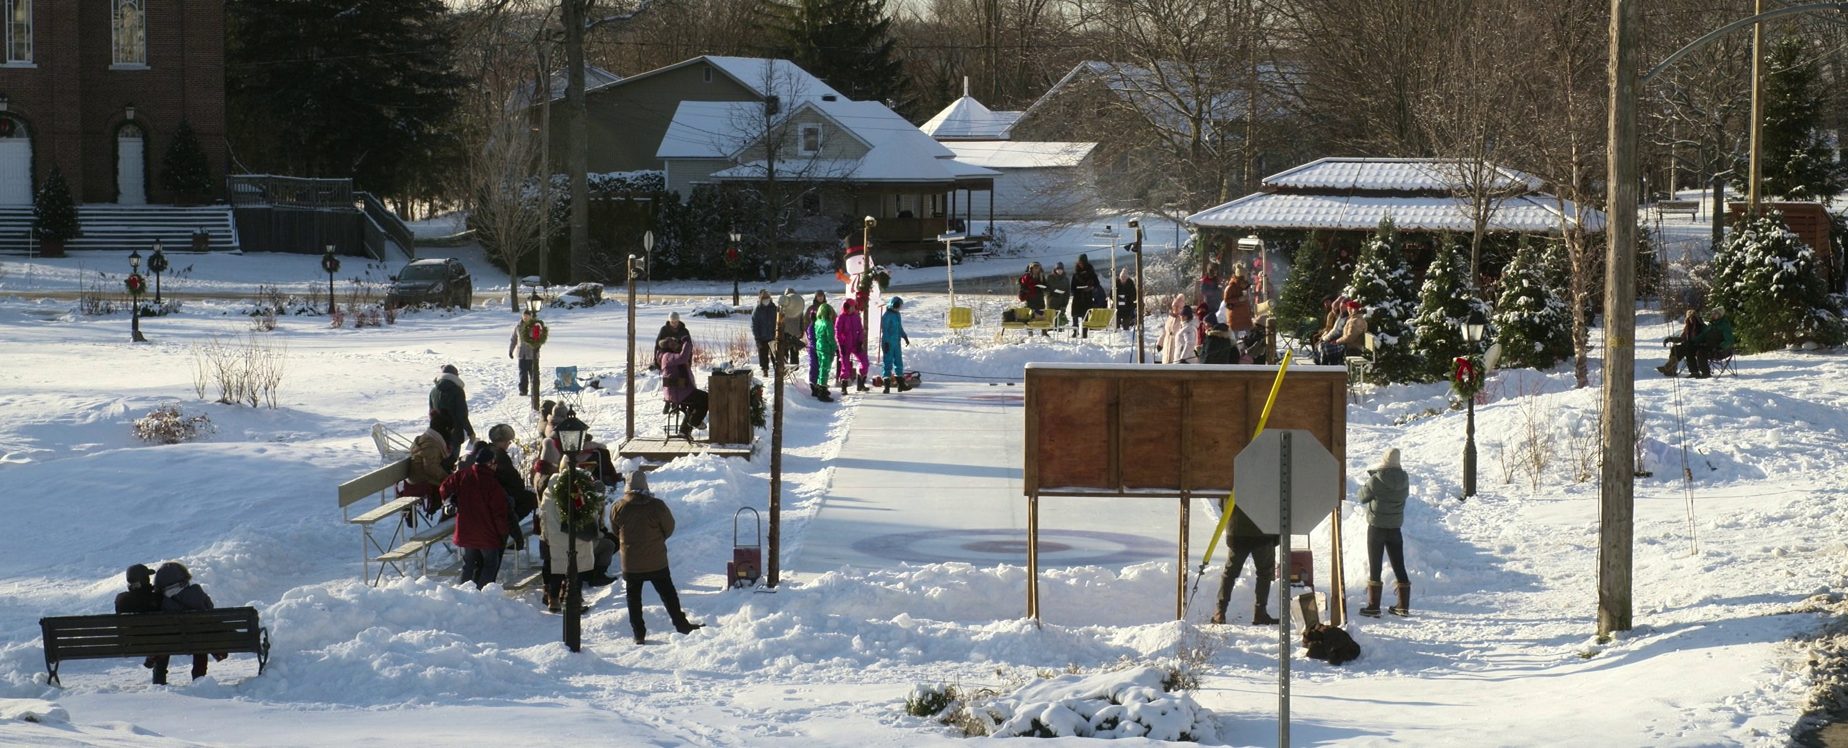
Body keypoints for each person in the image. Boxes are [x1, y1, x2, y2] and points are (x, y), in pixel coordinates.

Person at [611, 476, 704, 644]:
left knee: (633, 598)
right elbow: (669, 527)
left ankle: (639, 633)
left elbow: (615, 529)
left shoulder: (619, 507)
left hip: (631, 562)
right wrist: (657, 539)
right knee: (668, 594)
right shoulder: (657, 506)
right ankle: (681, 625)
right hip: (656, 560)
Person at [442, 443, 511, 589]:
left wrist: (450, 500)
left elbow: (444, 487)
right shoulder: (492, 484)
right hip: (487, 533)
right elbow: (499, 512)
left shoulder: (462, 475)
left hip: (466, 529)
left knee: (469, 563)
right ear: (490, 463)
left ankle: (464, 592)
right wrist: (503, 532)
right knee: (490, 563)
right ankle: (482, 593)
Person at [1358, 447, 1411, 617]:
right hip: (1395, 528)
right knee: (1399, 565)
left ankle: (1373, 606)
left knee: (1375, 566)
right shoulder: (1405, 479)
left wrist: (1371, 480)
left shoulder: (1377, 479)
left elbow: (1361, 497)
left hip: (1377, 527)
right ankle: (1403, 606)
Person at [1209, 506, 1280, 626]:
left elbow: (1223, 502)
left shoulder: (1232, 486)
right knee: (1264, 573)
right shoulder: (1268, 486)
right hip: (1263, 532)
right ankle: (1260, 612)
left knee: (1230, 573)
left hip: (1238, 531)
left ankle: (1220, 611)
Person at [153, 562, 221, 681]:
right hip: (197, 639)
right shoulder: (196, 592)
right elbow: (209, 608)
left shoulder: (160, 600)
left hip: (170, 641)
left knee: (163, 640)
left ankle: (159, 678)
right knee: (200, 638)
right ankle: (198, 678)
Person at [485, 423, 535, 549]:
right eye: (507, 441)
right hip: (501, 495)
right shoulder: (499, 455)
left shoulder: (488, 451)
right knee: (531, 500)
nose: (508, 444)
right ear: (501, 441)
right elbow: (511, 478)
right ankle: (506, 530)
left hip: (496, 494)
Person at [114, 564, 165, 684]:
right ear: (145, 580)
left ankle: (151, 657)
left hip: (130, 643)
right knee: (163, 640)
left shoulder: (121, 599)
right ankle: (159, 678)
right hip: (158, 642)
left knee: (159, 640)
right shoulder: (156, 598)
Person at [404, 410, 453, 512]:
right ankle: (448, 519)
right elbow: (431, 467)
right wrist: (448, 479)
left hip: (419, 478)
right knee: (455, 490)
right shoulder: (431, 445)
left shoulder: (428, 439)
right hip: (423, 481)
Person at [428, 365, 475, 469]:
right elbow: (462, 415)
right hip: (453, 434)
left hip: (436, 434)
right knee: (451, 463)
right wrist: (470, 432)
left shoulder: (433, 391)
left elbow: (431, 414)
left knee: (440, 464)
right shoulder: (457, 391)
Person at [659, 337, 708, 436]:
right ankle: (695, 421)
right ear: (669, 347)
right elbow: (683, 357)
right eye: (674, 344)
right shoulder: (668, 356)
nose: (677, 345)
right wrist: (687, 343)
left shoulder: (671, 356)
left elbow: (685, 358)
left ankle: (684, 431)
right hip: (678, 392)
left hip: (679, 390)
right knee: (706, 398)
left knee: (694, 403)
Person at [1658, 308, 1719, 378]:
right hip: (1689, 345)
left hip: (1699, 347)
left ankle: (1694, 372)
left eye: (1693, 317)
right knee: (1675, 349)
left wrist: (1700, 343)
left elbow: (1706, 338)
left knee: (1688, 350)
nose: (1691, 319)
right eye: (1690, 318)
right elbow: (1682, 338)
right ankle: (1671, 369)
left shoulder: (1702, 326)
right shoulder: (1688, 327)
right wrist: (1670, 339)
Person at [834, 298, 870, 394]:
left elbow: (860, 330)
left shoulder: (856, 317)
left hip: (855, 344)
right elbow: (837, 333)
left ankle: (861, 382)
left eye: (854, 307)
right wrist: (841, 345)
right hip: (845, 345)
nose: (854, 308)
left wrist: (860, 342)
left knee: (865, 362)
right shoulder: (841, 318)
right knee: (845, 366)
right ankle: (844, 387)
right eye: (852, 306)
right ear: (847, 307)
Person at [1320, 300, 1367, 365]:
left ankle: (1332, 369)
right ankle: (1326, 369)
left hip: (1353, 348)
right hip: (1348, 345)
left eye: (1349, 308)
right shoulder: (1352, 319)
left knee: (1328, 347)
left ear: (1354, 310)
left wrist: (1337, 341)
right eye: (1348, 308)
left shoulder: (1356, 321)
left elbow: (1350, 337)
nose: (1348, 310)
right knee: (1325, 346)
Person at [881, 296, 911, 393]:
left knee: (898, 362)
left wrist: (904, 336)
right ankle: (886, 386)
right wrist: (885, 343)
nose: (899, 308)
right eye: (899, 305)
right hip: (888, 342)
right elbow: (884, 331)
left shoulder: (897, 315)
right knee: (888, 363)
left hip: (896, 342)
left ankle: (901, 384)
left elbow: (899, 328)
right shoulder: (886, 316)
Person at [810, 301, 838, 400]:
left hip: (819, 346)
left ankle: (820, 387)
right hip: (826, 347)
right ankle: (822, 390)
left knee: (821, 367)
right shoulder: (828, 323)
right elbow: (830, 338)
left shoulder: (817, 322)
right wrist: (835, 348)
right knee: (825, 369)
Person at [509, 309, 541, 397]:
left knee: (533, 373)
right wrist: (511, 350)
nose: (525, 318)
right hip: (521, 354)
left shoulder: (535, 326)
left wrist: (537, 347)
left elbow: (538, 339)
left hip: (532, 355)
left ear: (530, 317)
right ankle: (523, 390)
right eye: (524, 316)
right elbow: (514, 339)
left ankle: (535, 389)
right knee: (522, 373)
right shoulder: (518, 326)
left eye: (527, 317)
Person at [1070, 254, 1100, 337]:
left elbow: (1097, 284)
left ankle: (1084, 333)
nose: (1080, 264)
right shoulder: (1075, 273)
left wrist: (1091, 288)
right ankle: (1075, 331)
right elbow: (1072, 287)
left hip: (1087, 297)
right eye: (1079, 262)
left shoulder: (1091, 273)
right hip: (1077, 297)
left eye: (1082, 262)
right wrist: (1076, 290)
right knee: (1075, 315)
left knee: (1085, 316)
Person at [751, 290, 778, 372]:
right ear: (760, 299)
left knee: (776, 355)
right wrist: (757, 337)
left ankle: (777, 370)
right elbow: (754, 325)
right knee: (763, 355)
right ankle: (764, 370)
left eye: (767, 298)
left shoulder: (774, 308)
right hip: (762, 337)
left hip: (773, 336)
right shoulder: (757, 310)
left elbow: (778, 321)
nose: (766, 300)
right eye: (764, 298)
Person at [778, 288, 806, 366]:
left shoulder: (797, 306)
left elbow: (801, 320)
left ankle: (789, 367)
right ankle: (793, 367)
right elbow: (802, 321)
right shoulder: (786, 307)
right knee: (793, 352)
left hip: (788, 334)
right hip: (792, 334)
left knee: (788, 352)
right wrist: (801, 331)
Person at [1045, 262, 1072, 326]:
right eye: (1058, 269)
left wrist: (1065, 304)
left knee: (1059, 323)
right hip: (1051, 301)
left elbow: (1067, 292)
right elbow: (1046, 289)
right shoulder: (1050, 277)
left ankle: (1059, 331)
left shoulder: (1066, 279)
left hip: (1061, 301)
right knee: (1051, 321)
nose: (1059, 271)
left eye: (1061, 269)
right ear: (1055, 269)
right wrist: (1052, 293)